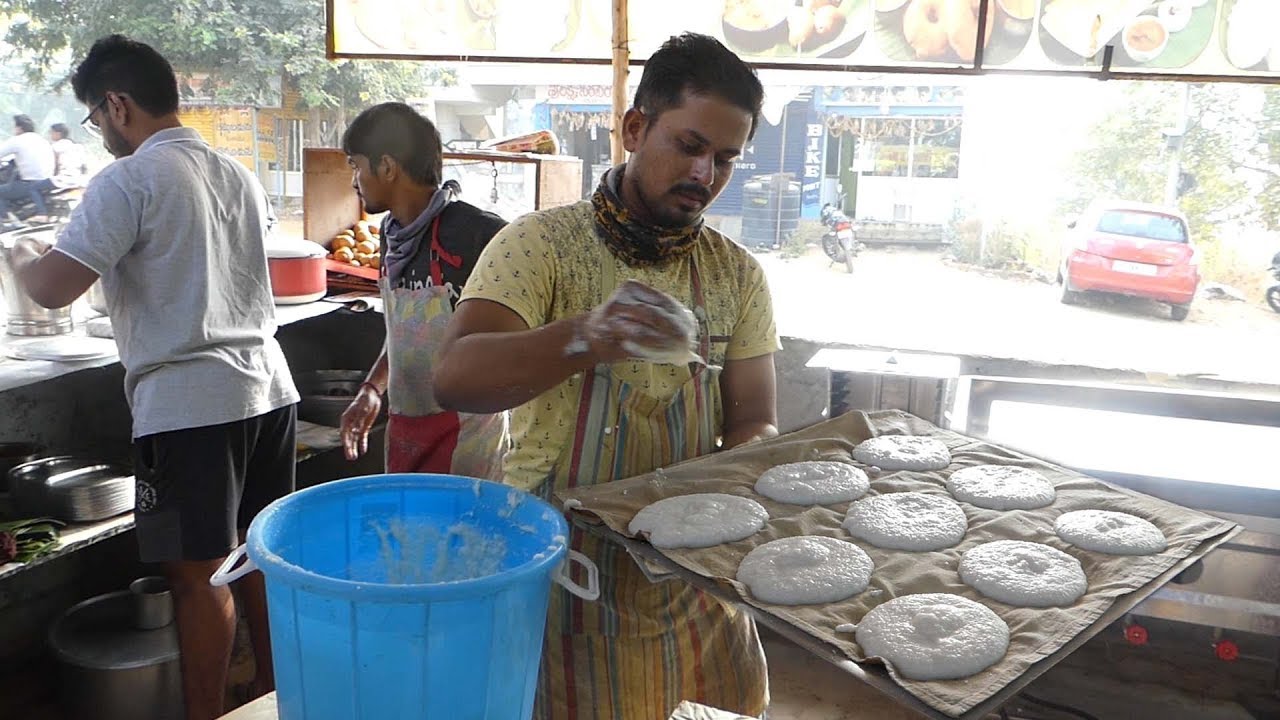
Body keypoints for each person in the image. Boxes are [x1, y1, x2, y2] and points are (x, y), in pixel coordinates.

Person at [435, 32, 778, 720]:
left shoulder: (735, 273)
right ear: (633, 128)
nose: (706, 174)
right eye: (689, 146)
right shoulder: (541, 246)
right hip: (568, 571)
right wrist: (586, 336)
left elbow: (753, 417)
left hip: (696, 576)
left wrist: (736, 495)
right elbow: (456, 377)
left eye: (726, 159)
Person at [15, 35, 297, 720]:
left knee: (195, 578)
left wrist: (26, 258)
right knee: (257, 560)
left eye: (94, 116)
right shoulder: (235, 171)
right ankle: (271, 703)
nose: (100, 132)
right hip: (266, 387)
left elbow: (53, 289)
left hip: (188, 405)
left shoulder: (129, 178)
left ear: (116, 105)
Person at [338, 102, 508, 478]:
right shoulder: (391, 233)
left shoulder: (476, 233)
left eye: (356, 165)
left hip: (468, 437)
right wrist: (372, 389)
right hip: (406, 426)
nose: (353, 180)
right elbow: (403, 332)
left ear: (386, 167)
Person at [0, 113, 55, 223]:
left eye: (15, 126)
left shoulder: (17, 140)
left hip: (30, 183)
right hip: (48, 181)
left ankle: (6, 219)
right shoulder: (42, 140)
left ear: (19, 127)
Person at [48, 122, 89, 189]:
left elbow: (54, 167)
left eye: (51, 132)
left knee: (34, 188)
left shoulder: (55, 146)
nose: (50, 135)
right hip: (79, 180)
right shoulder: (78, 146)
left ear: (58, 134)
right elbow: (84, 167)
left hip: (62, 180)